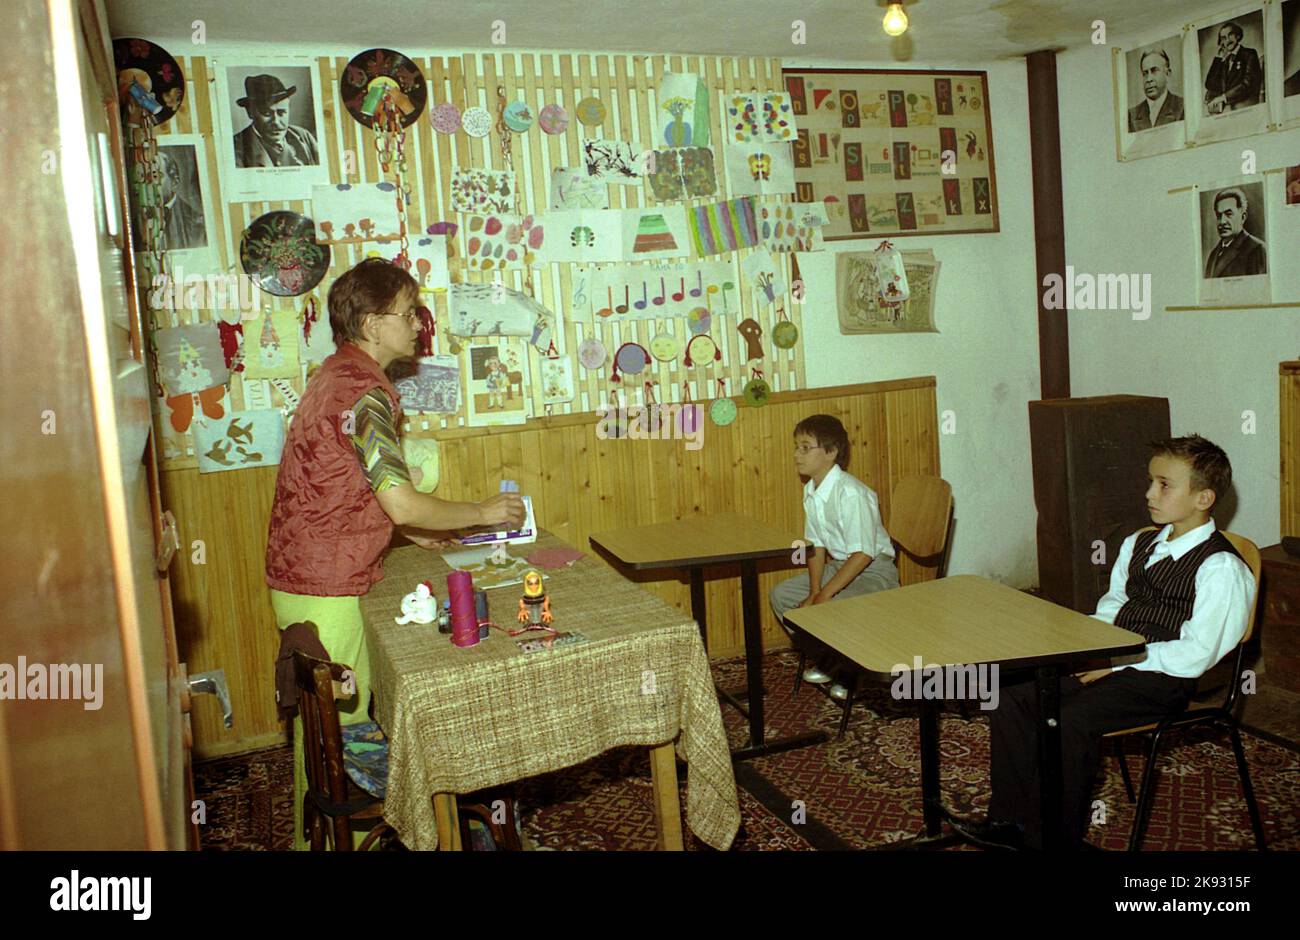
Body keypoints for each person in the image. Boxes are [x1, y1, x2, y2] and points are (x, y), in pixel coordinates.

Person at [265, 258, 525, 850]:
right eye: (409, 314)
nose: (418, 327)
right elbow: (402, 503)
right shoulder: (365, 395)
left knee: (324, 732)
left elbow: (345, 488)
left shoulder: (333, 376)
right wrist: (482, 512)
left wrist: (418, 533)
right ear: (372, 322)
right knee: (349, 732)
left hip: (301, 574)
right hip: (327, 585)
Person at [964, 435, 1253, 850]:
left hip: (1163, 677)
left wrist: (1117, 664)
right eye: (1151, 481)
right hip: (1115, 655)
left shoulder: (1222, 568)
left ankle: (1052, 840)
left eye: (1164, 485)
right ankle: (1009, 820)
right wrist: (1082, 646)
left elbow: (1195, 654)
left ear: (1204, 498)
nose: (1149, 493)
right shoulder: (1139, 543)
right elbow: (1112, 607)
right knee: (1012, 694)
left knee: (1070, 719)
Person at [769, 414, 899, 701]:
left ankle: (849, 672)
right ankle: (835, 661)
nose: (796, 455)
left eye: (805, 448)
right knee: (782, 596)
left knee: (833, 607)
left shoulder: (851, 493)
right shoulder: (811, 491)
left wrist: (825, 595)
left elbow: (863, 554)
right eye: (796, 447)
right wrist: (815, 591)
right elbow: (815, 547)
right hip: (840, 567)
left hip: (874, 572)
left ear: (830, 453)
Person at [233, 74, 319, 168]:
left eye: (282, 112)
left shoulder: (304, 136)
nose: (276, 122)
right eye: (267, 113)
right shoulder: (235, 148)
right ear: (250, 112)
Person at [1204, 188, 1267, 278]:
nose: (1222, 222)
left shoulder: (1257, 250)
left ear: (1243, 217)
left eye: (1229, 214)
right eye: (1219, 216)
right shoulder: (1214, 254)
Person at [1203, 21, 1262, 114]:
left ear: (1237, 36)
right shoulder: (1223, 60)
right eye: (1223, 38)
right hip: (1226, 108)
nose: (1227, 40)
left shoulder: (1249, 54)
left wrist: (1223, 98)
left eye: (1230, 35)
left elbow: (1247, 84)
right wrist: (1219, 59)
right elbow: (1209, 85)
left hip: (1245, 105)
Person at [1127, 48, 1184, 131]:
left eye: (1154, 71)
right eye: (1145, 73)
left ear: (1167, 74)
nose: (1149, 79)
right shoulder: (1131, 114)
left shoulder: (1182, 107)